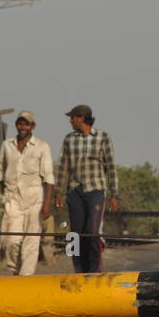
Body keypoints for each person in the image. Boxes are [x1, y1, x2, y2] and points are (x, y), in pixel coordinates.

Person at [54, 105, 119, 273]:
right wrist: (58, 193)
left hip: (95, 190)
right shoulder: (69, 139)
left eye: (72, 117)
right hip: (74, 191)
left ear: (81, 118)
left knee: (92, 231)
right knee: (75, 234)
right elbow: (62, 167)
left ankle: (95, 270)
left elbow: (111, 167)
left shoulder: (103, 138)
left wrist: (114, 195)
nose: (70, 120)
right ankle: (78, 270)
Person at [0, 110, 55, 276]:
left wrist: (47, 205)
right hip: (13, 198)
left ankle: (25, 278)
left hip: (34, 199)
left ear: (32, 126)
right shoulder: (7, 145)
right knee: (11, 240)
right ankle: (15, 271)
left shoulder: (42, 147)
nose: (22, 127)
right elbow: (0, 169)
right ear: (16, 125)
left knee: (31, 242)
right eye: (20, 123)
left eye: (26, 124)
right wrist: (4, 193)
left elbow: (48, 178)